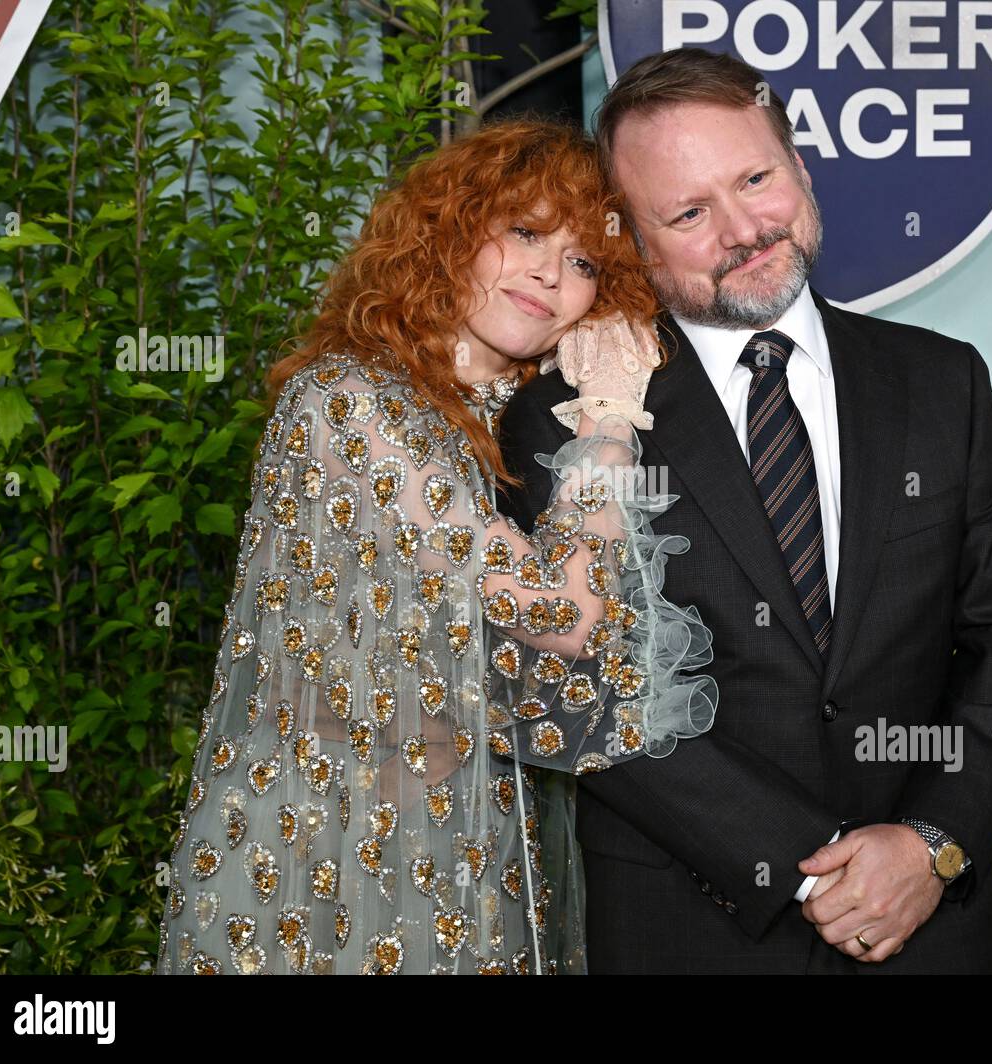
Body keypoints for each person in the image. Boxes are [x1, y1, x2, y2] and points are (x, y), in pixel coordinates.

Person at [495, 48, 992, 974]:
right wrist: (814, 877)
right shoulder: (569, 411)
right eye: (687, 212)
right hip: (693, 932)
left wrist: (930, 843)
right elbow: (584, 690)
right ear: (632, 241)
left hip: (935, 927)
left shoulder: (939, 380)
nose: (743, 229)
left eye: (755, 178)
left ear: (799, 167)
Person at [153, 118, 717, 975]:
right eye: (525, 233)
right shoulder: (350, 399)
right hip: (326, 847)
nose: (548, 273)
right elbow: (563, 618)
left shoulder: (524, 419)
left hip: (485, 843)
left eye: (583, 262)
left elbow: (589, 682)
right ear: (448, 229)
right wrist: (606, 422)